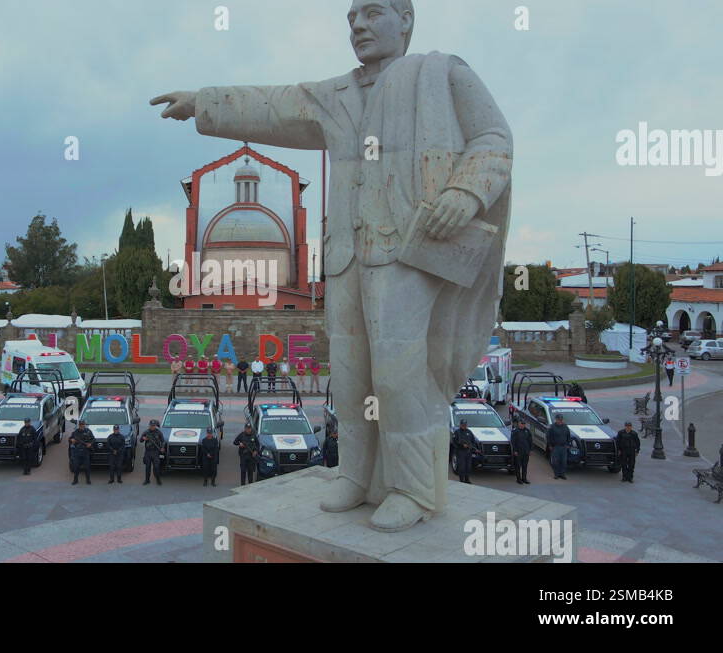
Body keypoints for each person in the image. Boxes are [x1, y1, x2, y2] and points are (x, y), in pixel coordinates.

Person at [152, 0, 514, 533]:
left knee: (397, 373)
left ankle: (412, 487)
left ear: (406, 19)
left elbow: (494, 138)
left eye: (372, 13)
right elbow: (274, 106)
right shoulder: (336, 95)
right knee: (349, 376)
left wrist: (467, 191)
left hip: (411, 246)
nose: (358, 26)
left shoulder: (442, 72)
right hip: (347, 255)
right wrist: (204, 103)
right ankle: (358, 476)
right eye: (351, 19)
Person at [69, 420, 94, 484]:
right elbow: (70, 439)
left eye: (83, 424)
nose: (82, 426)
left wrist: (90, 444)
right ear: (79, 425)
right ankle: (75, 480)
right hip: (77, 452)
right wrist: (72, 440)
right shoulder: (75, 432)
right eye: (81, 425)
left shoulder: (88, 431)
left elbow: (93, 439)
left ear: (84, 425)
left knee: (87, 467)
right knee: (76, 467)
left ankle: (88, 480)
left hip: (86, 451)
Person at [140, 420, 165, 485]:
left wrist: (162, 447)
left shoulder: (159, 432)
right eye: (151, 425)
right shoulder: (146, 432)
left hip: (155, 452)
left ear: (155, 426)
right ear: (149, 425)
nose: (152, 427)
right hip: (148, 452)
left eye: (153, 426)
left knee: (156, 467)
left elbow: (163, 441)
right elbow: (140, 440)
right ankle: (147, 480)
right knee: (147, 467)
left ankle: (158, 479)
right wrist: (143, 438)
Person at [546, 414, 571, 480]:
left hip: (564, 447)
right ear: (556, 419)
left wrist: (568, 444)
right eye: (558, 419)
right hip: (555, 447)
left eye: (561, 420)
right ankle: (556, 474)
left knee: (564, 461)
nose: (560, 421)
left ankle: (562, 474)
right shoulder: (552, 427)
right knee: (555, 461)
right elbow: (548, 437)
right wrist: (550, 445)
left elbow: (568, 436)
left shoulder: (565, 426)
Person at [510, 418, 532, 484]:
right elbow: (513, 442)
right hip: (518, 452)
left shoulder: (527, 431)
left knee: (525, 466)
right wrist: (515, 450)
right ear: (519, 424)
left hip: (526, 451)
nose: (523, 425)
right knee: (518, 466)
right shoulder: (515, 431)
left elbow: (530, 441)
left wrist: (530, 450)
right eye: (522, 423)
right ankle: (518, 479)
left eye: (524, 424)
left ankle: (524, 478)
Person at [452, 419, 474, 484]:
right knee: (462, 467)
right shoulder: (457, 432)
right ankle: (461, 481)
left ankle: (467, 480)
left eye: (465, 425)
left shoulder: (469, 432)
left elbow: (473, 441)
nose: (464, 426)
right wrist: (461, 446)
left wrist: (470, 446)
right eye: (463, 425)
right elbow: (454, 442)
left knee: (468, 466)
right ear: (460, 425)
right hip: (460, 452)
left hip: (468, 452)